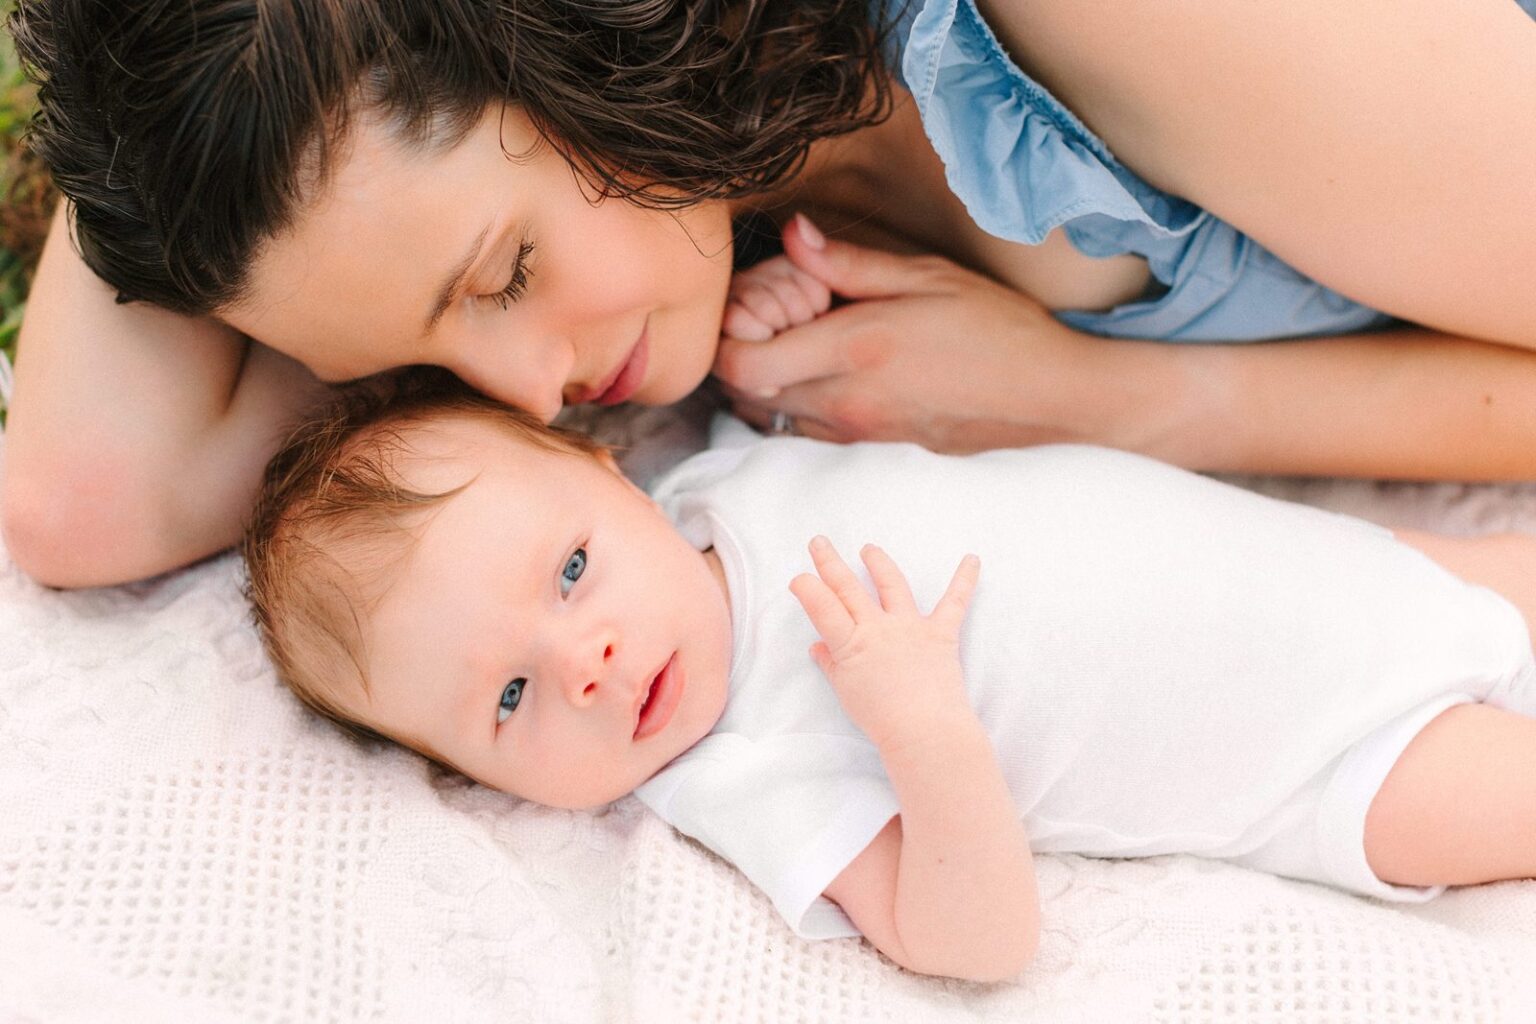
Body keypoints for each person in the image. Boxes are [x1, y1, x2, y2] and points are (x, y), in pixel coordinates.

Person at [11, 0, 1536, 589]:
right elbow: (91, 502)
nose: (535, 399)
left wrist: (1123, 404)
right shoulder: (682, 174)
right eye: (432, 353)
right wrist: (196, 81)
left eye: (507, 277)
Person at [243, 378, 1536, 983]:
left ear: (607, 472)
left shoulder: (721, 484)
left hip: (1359, 568)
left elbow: (854, 419)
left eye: (572, 571)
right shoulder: (737, 767)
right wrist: (925, 730)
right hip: (1333, 762)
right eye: (510, 702)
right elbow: (972, 942)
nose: (585, 665)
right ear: (469, 777)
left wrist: (784, 348)